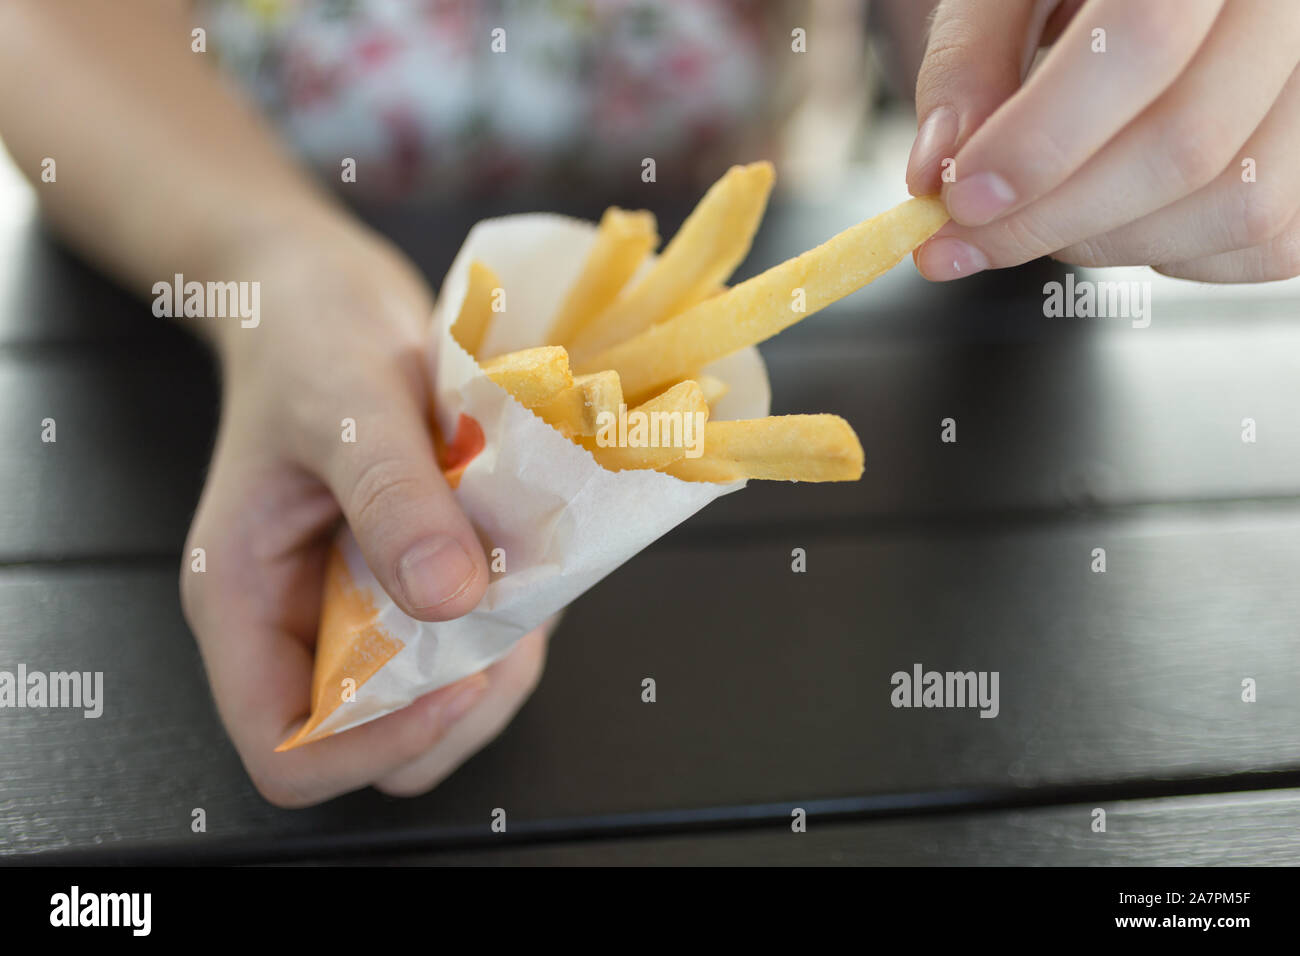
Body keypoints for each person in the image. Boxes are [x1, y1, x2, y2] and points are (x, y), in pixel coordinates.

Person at [1, 0, 1294, 809]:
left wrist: (1110, 66)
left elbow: (972, 34)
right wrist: (266, 265)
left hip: (789, 534)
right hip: (169, 253)